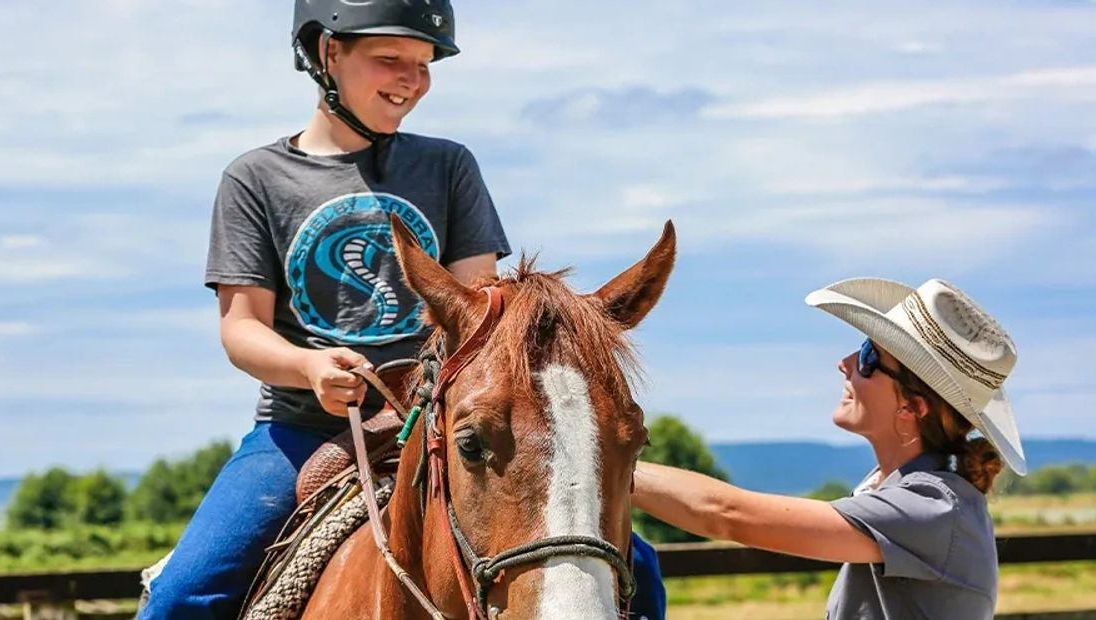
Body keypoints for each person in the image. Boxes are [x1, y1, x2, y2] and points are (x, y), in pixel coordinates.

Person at [141, 2, 665, 617]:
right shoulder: (257, 178)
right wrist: (310, 368)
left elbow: (483, 312)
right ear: (328, 53)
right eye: (390, 59)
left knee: (639, 572)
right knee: (184, 595)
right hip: (299, 429)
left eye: (423, 64)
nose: (412, 80)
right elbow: (242, 328)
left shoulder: (448, 166)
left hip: (441, 424)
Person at [633, 278, 1026, 619]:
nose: (846, 362)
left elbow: (725, 514)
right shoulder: (918, 499)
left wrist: (602, 466)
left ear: (911, 407)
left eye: (870, 357)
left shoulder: (931, 508)